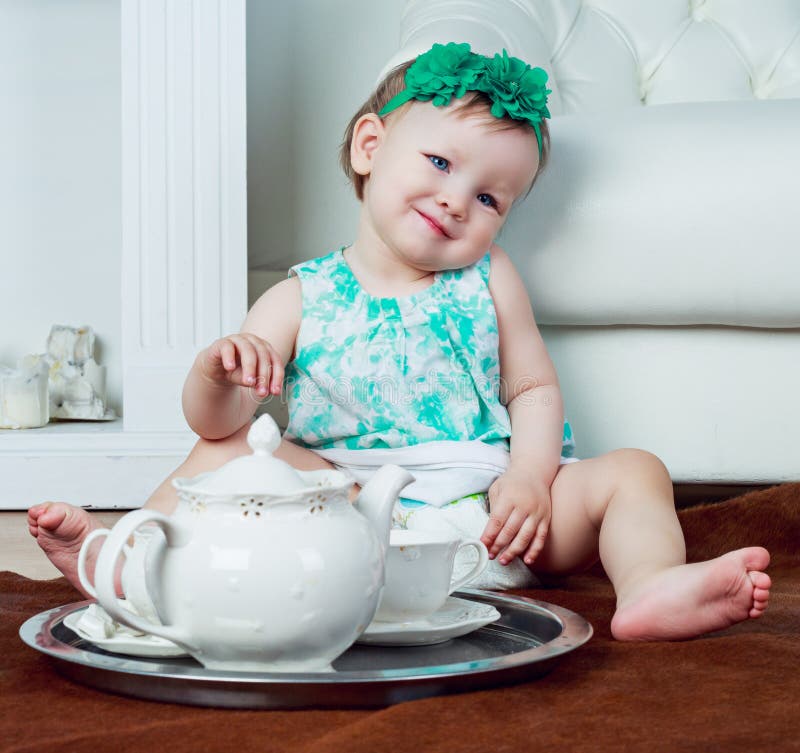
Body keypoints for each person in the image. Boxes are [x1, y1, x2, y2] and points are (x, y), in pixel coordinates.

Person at [28, 42, 770, 640]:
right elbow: (216, 422)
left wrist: (529, 478)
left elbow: (532, 388)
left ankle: (649, 588)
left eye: (488, 198)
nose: (456, 199)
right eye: (441, 164)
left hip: (498, 511)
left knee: (636, 469)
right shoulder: (300, 296)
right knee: (222, 453)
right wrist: (217, 370)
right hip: (348, 508)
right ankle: (118, 557)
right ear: (369, 147)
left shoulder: (488, 275)